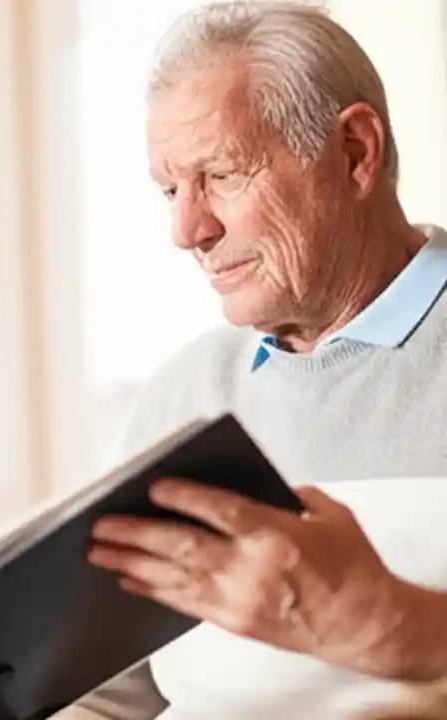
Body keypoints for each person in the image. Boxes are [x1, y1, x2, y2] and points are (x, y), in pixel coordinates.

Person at [56, 1, 447, 718]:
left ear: (356, 151)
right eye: (171, 190)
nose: (188, 229)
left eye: (224, 175)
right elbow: (110, 693)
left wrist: (390, 625)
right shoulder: (182, 396)